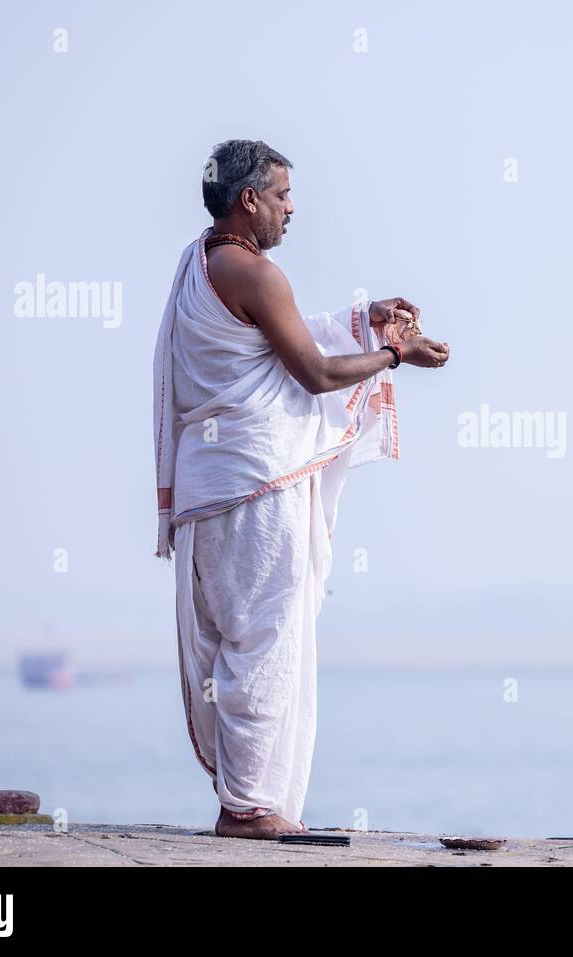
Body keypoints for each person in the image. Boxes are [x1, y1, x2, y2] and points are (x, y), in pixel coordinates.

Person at [151, 139, 449, 839]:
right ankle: (250, 808)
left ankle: (253, 801)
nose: (292, 208)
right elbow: (313, 373)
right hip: (255, 483)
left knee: (240, 638)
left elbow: (270, 340)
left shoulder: (200, 262)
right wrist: (395, 354)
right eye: (282, 195)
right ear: (249, 199)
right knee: (265, 637)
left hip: (210, 486)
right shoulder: (254, 272)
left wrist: (363, 315)